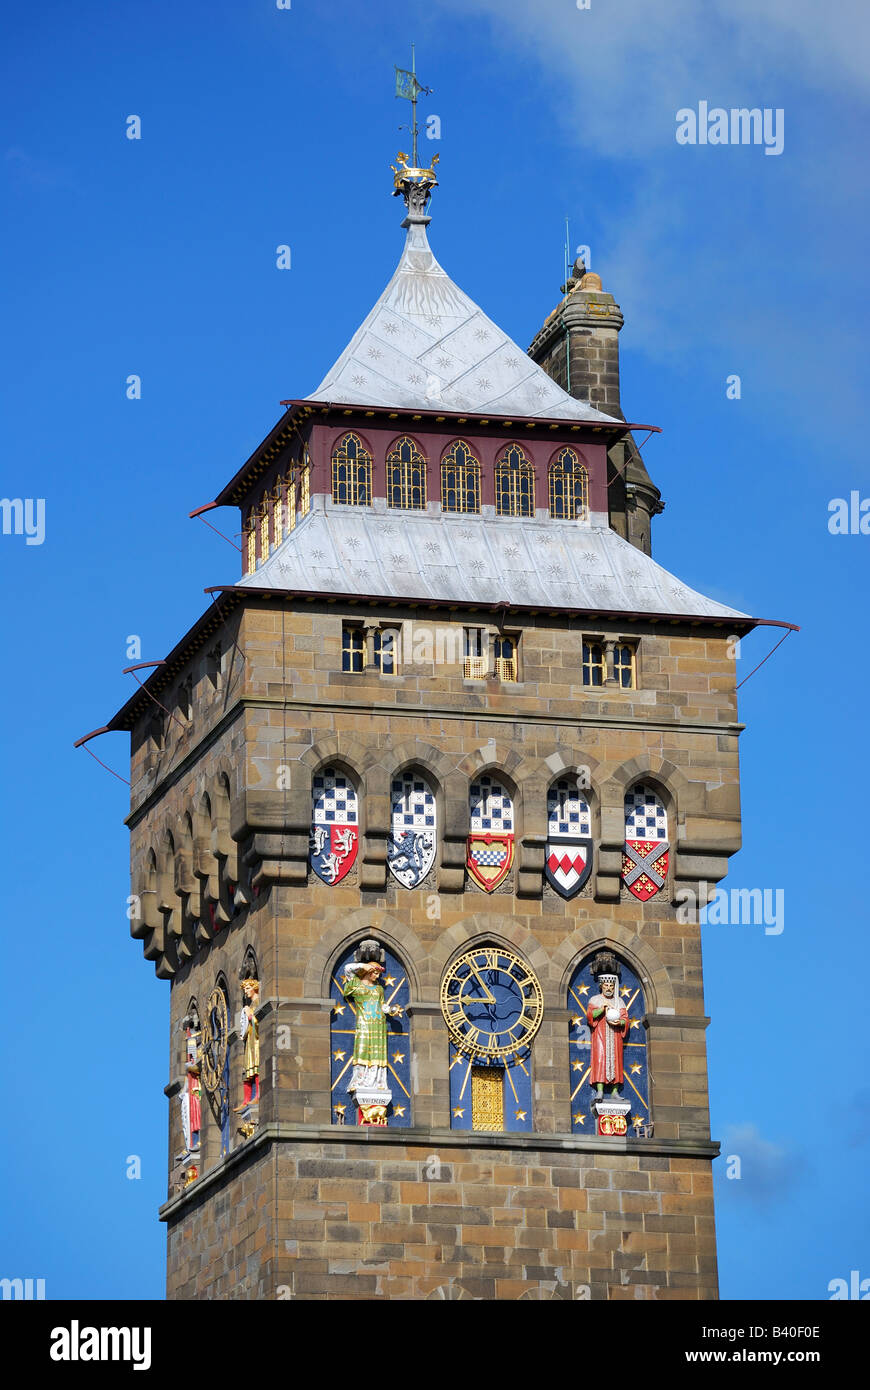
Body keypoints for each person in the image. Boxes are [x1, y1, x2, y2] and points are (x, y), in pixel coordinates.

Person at [341, 959, 399, 1097]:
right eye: (375, 973)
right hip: (364, 1024)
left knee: (377, 1052)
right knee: (362, 1049)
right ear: (368, 972)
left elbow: (382, 1006)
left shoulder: (379, 989)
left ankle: (377, 1081)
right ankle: (360, 1080)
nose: (378, 976)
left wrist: (391, 1009)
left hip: (378, 1024)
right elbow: (348, 969)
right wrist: (363, 966)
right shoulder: (356, 985)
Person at [586, 972, 627, 1096]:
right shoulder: (595, 999)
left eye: (611, 986)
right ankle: (600, 1091)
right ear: (601, 986)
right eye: (606, 985)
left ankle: (615, 1091)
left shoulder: (619, 1001)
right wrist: (601, 1009)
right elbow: (590, 1016)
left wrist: (619, 1022)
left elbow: (625, 1018)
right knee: (600, 1060)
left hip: (615, 1036)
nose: (609, 988)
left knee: (616, 1061)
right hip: (600, 1035)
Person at [237, 977, 260, 1108]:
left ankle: (257, 1096)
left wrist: (249, 1014)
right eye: (244, 989)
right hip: (250, 1039)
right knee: (247, 1069)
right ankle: (246, 1099)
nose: (245, 992)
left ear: (254, 988)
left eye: (247, 988)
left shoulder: (257, 1002)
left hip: (256, 1040)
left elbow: (258, 1021)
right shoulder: (251, 1004)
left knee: (255, 1066)